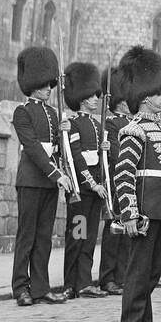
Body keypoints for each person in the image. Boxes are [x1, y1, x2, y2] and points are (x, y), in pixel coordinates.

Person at [111, 46, 161, 322]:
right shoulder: (133, 130)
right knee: (138, 271)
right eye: (160, 93)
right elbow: (124, 174)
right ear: (146, 96)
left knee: (153, 270)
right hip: (145, 209)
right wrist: (130, 213)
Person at [11, 46, 71, 307]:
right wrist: (56, 173)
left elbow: (56, 149)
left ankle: (40, 286)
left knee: (44, 236)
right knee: (27, 235)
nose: (49, 88)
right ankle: (20, 287)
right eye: (45, 84)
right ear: (33, 84)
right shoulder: (22, 112)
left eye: (51, 84)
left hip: (49, 181)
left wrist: (64, 133)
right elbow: (34, 149)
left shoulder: (53, 113)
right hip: (31, 180)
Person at [60, 60, 107, 299]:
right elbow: (77, 158)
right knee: (77, 237)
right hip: (82, 190)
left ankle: (85, 282)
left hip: (96, 190)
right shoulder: (74, 124)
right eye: (91, 96)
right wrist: (93, 184)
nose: (96, 99)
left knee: (88, 239)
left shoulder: (98, 125)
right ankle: (70, 283)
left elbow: (99, 159)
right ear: (81, 98)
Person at [97, 65, 131, 296]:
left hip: (130, 184)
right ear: (120, 101)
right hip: (116, 183)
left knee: (128, 234)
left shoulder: (131, 123)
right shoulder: (111, 124)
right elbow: (119, 154)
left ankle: (121, 275)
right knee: (113, 234)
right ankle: (108, 277)